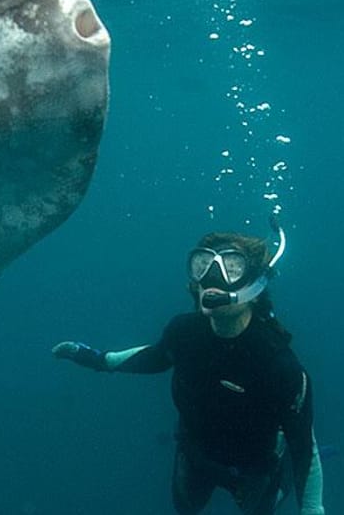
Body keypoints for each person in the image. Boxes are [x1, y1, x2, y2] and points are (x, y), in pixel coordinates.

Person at [52, 219, 325, 515]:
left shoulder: (280, 366)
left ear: (256, 285)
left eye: (232, 269)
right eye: (203, 265)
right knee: (185, 507)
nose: (213, 279)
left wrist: (312, 509)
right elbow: (156, 356)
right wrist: (98, 360)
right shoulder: (183, 332)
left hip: (256, 468)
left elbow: (304, 448)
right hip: (196, 455)